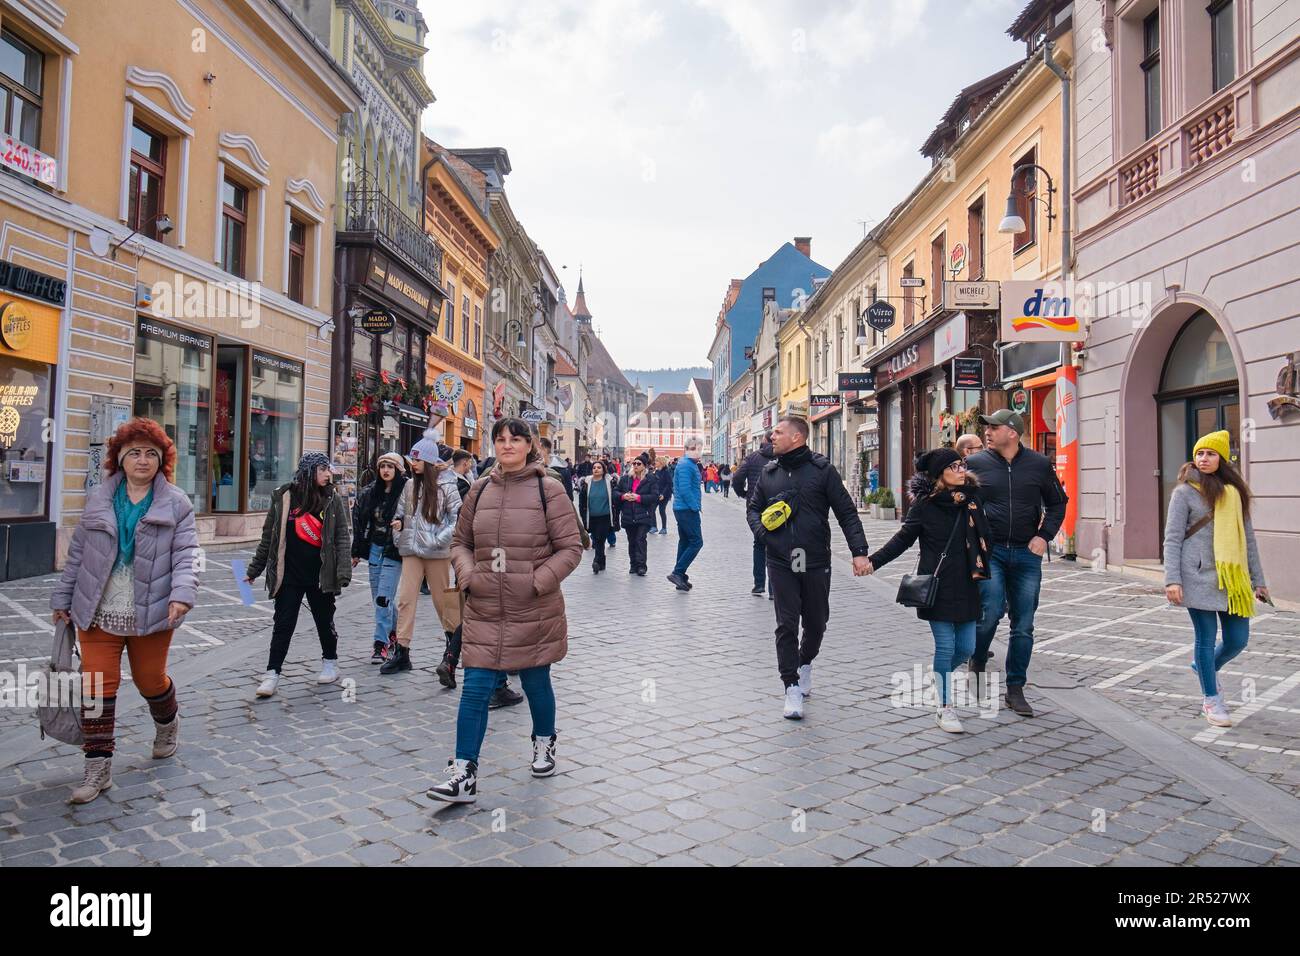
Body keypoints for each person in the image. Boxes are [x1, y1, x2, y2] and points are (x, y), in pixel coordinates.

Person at [427, 417, 583, 803]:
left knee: (534, 683)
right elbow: (461, 542)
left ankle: (544, 742)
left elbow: (571, 549)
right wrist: (468, 574)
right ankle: (464, 773)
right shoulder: (479, 491)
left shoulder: (550, 490)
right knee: (475, 688)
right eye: (500, 439)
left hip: (532, 609)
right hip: (483, 606)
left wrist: (536, 582)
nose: (507, 445)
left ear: (530, 445)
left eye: (515, 439)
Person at [51, 418, 197, 804]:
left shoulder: (177, 504)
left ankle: (167, 723)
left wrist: (182, 595)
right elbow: (78, 555)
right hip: (98, 608)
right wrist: (62, 599)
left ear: (162, 460)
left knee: (151, 680)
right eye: (134, 452)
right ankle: (97, 770)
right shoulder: (98, 500)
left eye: (151, 453)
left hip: (153, 612)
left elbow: (186, 555)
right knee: (97, 686)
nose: (143, 460)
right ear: (119, 457)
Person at [747, 416, 871, 719]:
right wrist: (764, 537)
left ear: (797, 438)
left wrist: (859, 552)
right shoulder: (769, 473)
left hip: (814, 559)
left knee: (816, 623)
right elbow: (753, 509)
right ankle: (790, 687)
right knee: (786, 624)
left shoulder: (822, 471)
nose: (771, 437)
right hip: (780, 560)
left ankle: (804, 663)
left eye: (778, 432)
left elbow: (847, 513)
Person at [865, 449, 992, 733]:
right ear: (939, 475)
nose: (961, 469)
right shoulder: (925, 507)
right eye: (954, 466)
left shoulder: (973, 499)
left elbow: (988, 536)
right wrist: (874, 561)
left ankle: (940, 675)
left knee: (967, 648)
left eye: (962, 464)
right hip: (939, 585)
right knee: (946, 646)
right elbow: (902, 539)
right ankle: (945, 708)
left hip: (969, 583)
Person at [965, 409, 1068, 718]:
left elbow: (1058, 502)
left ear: (1012, 432)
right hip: (991, 551)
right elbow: (959, 501)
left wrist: (1044, 536)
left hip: (1026, 553)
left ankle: (1015, 689)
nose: (987, 432)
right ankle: (978, 657)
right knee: (991, 612)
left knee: (1023, 625)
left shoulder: (1038, 464)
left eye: (993, 427)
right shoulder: (976, 464)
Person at [1163, 430, 1268, 727]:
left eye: (1210, 454)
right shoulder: (1184, 492)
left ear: (1222, 458)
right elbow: (1172, 539)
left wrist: (1258, 579)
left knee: (1237, 640)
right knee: (1205, 639)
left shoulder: (1235, 493)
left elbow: (1248, 539)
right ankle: (1212, 698)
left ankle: (1204, 667)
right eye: (1199, 453)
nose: (1204, 459)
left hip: (1232, 579)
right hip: (1196, 575)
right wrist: (1172, 579)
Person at [246, 452, 352, 698]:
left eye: (329, 469)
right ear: (309, 471)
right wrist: (254, 570)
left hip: (320, 575)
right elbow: (269, 538)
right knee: (283, 625)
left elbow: (341, 538)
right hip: (289, 575)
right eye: (323, 469)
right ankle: (272, 673)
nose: (329, 474)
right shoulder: (284, 497)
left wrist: (343, 572)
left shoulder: (332, 498)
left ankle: (330, 662)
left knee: (324, 621)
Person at [385, 435, 462, 677]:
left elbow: (457, 519)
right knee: (406, 599)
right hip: (412, 550)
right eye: (412, 459)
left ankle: (451, 650)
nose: (412, 464)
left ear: (428, 462)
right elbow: (401, 513)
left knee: (443, 602)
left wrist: (437, 540)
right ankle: (402, 651)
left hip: (437, 553)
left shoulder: (447, 486)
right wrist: (399, 527)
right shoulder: (410, 485)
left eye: (417, 460)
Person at [350, 452, 407, 664]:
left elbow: (416, 516)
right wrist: (356, 551)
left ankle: (380, 644)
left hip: (393, 549)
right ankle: (393, 633)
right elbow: (359, 522)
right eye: (382, 466)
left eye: (390, 467)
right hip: (374, 548)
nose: (385, 470)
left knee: (384, 598)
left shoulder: (406, 492)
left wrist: (403, 524)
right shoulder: (369, 493)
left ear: (398, 470)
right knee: (380, 599)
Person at [733, 432, 776, 597]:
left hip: (756, 507)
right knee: (775, 546)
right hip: (777, 507)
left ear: (763, 440)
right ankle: (773, 589)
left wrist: (743, 493)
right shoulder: (783, 456)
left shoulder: (752, 457)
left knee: (759, 544)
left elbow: (737, 478)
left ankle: (758, 585)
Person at [614, 454, 661, 576]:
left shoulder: (651, 479)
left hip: (644, 515)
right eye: (634, 463)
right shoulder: (626, 478)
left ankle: (641, 566)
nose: (635, 466)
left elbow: (655, 496)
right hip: (629, 515)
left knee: (640, 539)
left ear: (644, 466)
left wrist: (639, 498)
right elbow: (615, 493)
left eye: (638, 464)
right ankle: (633, 564)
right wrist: (623, 496)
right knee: (632, 541)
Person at [668, 438, 704, 591]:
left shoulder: (689, 464)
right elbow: (684, 489)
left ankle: (680, 576)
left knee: (684, 541)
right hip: (686, 509)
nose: (700, 452)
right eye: (698, 449)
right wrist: (695, 506)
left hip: (683, 508)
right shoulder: (685, 465)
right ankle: (677, 572)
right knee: (696, 542)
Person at [579, 460, 619, 573]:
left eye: (599, 467)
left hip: (605, 516)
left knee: (599, 538)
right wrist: (583, 515)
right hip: (591, 517)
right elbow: (582, 501)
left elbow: (615, 498)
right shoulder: (587, 483)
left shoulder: (609, 482)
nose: (596, 469)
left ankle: (596, 561)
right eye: (594, 467)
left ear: (603, 470)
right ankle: (601, 562)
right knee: (597, 539)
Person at [654, 455, 673, 534]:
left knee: (662, 510)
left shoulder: (666, 471)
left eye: (657, 461)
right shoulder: (657, 471)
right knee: (652, 509)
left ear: (661, 462)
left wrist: (663, 494)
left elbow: (669, 484)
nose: (655, 463)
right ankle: (654, 526)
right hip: (657, 494)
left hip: (665, 494)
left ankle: (664, 528)